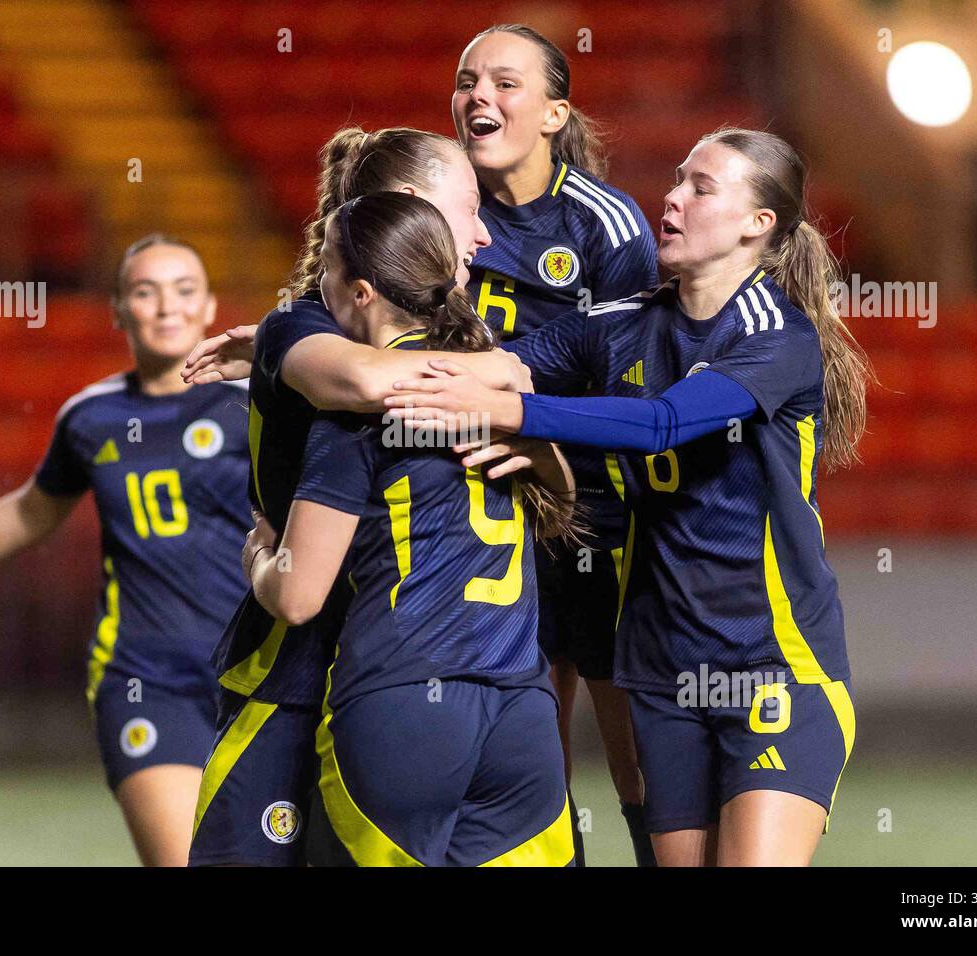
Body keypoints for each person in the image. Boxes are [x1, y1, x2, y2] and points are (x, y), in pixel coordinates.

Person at [382, 128, 869, 866]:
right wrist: (293, 344)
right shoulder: (619, 325)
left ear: (757, 223)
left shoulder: (775, 335)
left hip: (776, 667)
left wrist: (515, 415)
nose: (671, 197)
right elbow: (487, 369)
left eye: (701, 187)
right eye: (677, 179)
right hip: (661, 670)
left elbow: (662, 424)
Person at [0, 235, 250, 867]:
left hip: (258, 672)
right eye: (146, 291)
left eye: (183, 290)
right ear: (117, 309)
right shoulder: (92, 416)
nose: (166, 307)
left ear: (208, 308)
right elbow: (32, 509)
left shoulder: (255, 406)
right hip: (146, 680)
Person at [186, 126, 529, 866]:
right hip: (297, 671)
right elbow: (374, 383)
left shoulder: (458, 339)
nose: (481, 233)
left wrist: (510, 377)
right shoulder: (310, 321)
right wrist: (505, 379)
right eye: (468, 207)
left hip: (403, 676)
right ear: (409, 206)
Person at [250, 191, 575, 865]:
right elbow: (561, 506)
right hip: (522, 714)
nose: (319, 285)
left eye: (329, 270)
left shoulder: (351, 415)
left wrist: (258, 555)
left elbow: (299, 594)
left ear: (361, 292)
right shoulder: (499, 391)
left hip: (404, 706)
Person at [453, 23, 660, 865]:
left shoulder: (607, 226)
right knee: (525, 742)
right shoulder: (435, 205)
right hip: (474, 504)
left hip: (594, 511)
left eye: (505, 83)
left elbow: (639, 386)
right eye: (467, 81)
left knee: (632, 747)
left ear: (553, 113)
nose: (478, 98)